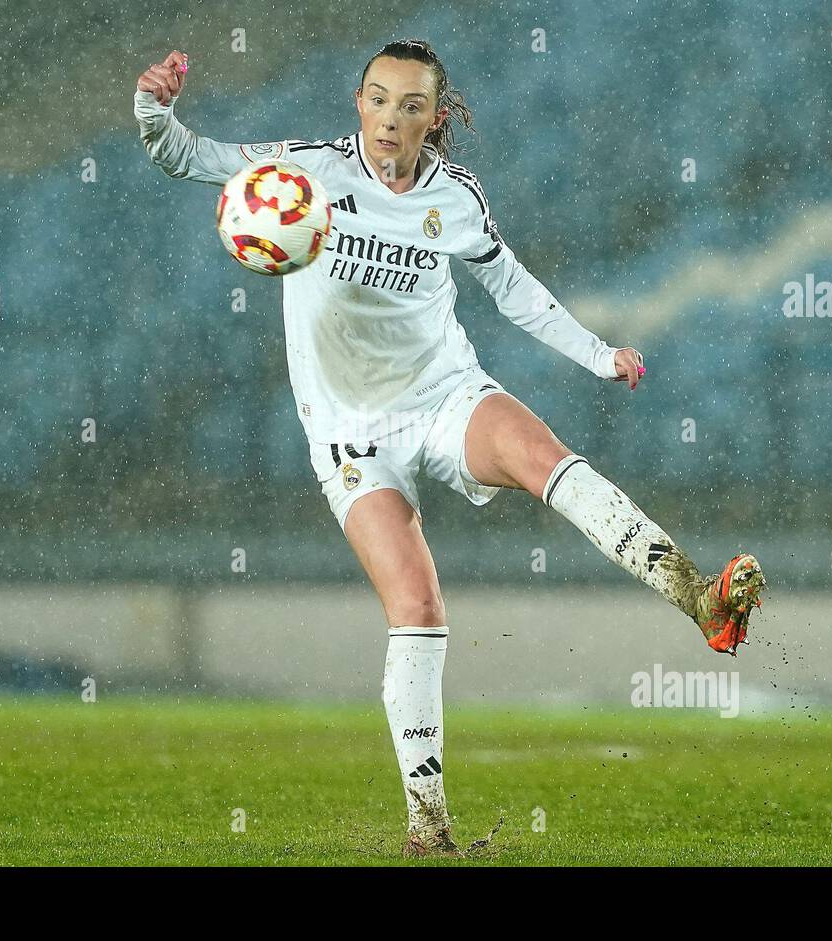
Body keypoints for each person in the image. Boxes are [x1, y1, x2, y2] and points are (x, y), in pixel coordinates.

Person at [135, 39, 766, 857]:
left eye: (409, 105)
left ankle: (700, 599)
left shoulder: (456, 199)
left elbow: (514, 291)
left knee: (545, 457)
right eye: (376, 98)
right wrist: (155, 108)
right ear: (356, 102)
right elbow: (188, 156)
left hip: (442, 393)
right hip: (349, 433)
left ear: (436, 118)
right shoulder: (304, 174)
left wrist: (597, 354)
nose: (389, 119)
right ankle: (428, 829)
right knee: (419, 608)